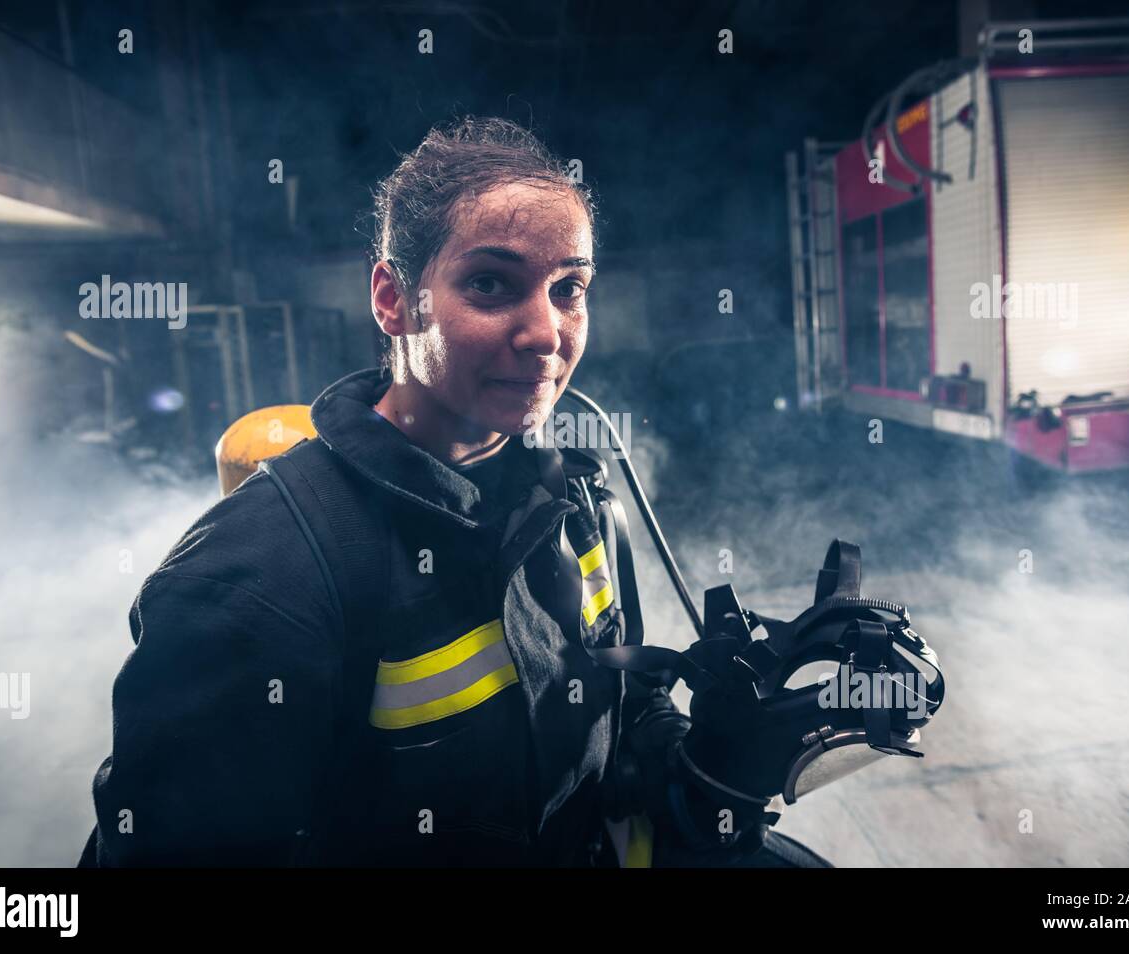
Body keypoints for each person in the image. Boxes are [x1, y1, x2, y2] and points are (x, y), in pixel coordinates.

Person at [79, 116, 830, 868]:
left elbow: (620, 722)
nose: (546, 332)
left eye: (569, 288)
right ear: (393, 299)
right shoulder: (258, 583)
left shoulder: (581, 505)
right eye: (491, 283)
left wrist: (716, 763)